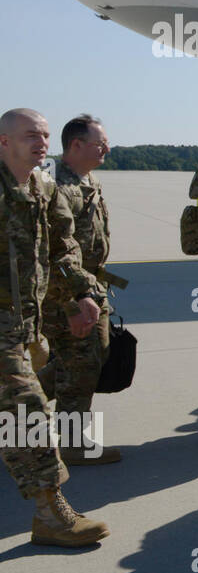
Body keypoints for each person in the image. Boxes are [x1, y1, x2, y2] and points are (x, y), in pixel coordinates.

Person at [0, 108, 110, 547]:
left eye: (45, 135)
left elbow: (64, 251)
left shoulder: (44, 187)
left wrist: (83, 294)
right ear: (4, 141)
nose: (41, 141)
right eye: (31, 135)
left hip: (25, 324)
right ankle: (50, 513)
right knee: (29, 410)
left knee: (22, 406)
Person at [42, 115, 125, 465]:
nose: (106, 148)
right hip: (68, 293)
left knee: (78, 360)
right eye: (99, 143)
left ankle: (16, 406)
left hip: (88, 288)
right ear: (75, 145)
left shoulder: (86, 179)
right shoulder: (58, 186)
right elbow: (53, 253)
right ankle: (73, 445)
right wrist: (76, 301)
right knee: (81, 365)